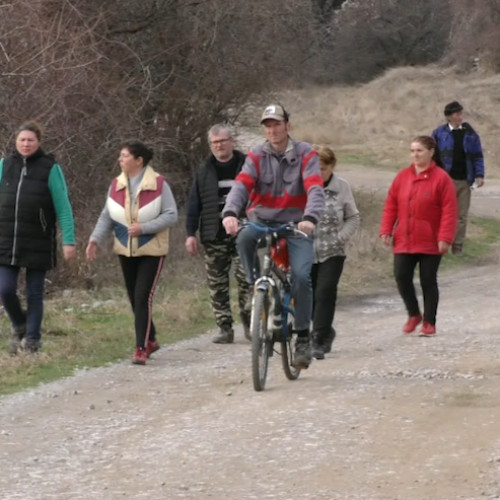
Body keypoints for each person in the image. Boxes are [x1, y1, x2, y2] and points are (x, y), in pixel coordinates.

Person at [222, 104, 325, 368]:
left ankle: (302, 336)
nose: (272, 130)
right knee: (243, 239)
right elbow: (242, 185)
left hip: (296, 224)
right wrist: (230, 212)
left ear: (287, 126)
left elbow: (315, 187)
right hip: (262, 219)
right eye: (267, 125)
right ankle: (257, 288)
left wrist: (310, 217)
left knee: (302, 277)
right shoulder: (256, 155)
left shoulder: (305, 153)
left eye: (276, 124)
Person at [86, 141, 178, 365]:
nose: (120, 159)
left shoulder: (159, 183)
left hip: (152, 250)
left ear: (139, 161)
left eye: (125, 156)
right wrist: (94, 239)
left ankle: (141, 348)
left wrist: (144, 228)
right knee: (134, 299)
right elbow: (107, 215)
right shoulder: (116, 184)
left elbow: (171, 214)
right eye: (121, 156)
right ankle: (152, 338)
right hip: (125, 249)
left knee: (142, 297)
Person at [0, 121, 76, 354]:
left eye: (30, 140)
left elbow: (63, 207)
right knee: (4, 289)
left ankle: (32, 339)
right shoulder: (5, 164)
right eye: (22, 140)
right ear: (16, 142)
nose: (26, 144)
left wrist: (68, 240)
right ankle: (20, 324)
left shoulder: (50, 168)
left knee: (34, 292)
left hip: (38, 240)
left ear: (38, 142)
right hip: (5, 239)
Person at [380, 136, 457, 336]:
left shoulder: (442, 178)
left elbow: (450, 211)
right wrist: (386, 230)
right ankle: (414, 314)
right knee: (401, 276)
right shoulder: (402, 176)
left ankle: (429, 322)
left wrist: (445, 238)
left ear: (431, 152)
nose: (415, 155)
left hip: (431, 240)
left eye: (419, 151)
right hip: (404, 238)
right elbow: (391, 205)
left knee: (428, 280)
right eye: (412, 151)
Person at [185, 124, 251, 344]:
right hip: (214, 234)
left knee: (247, 279)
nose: (219, 146)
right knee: (217, 283)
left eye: (223, 141)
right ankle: (225, 328)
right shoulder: (204, 171)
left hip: (245, 231)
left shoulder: (248, 166)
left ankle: (250, 322)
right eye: (214, 142)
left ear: (231, 141)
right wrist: (190, 233)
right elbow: (194, 204)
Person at [311, 145, 360, 360]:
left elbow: (353, 217)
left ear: (331, 167)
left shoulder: (342, 187)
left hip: (333, 251)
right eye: (313, 169)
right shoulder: (302, 186)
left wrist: (342, 236)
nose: (317, 173)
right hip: (306, 250)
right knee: (308, 295)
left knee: (325, 292)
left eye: (321, 169)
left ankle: (318, 338)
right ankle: (326, 330)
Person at [431, 101, 485, 256]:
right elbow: (432, 155)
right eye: (457, 114)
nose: (460, 117)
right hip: (444, 181)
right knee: (442, 213)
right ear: (449, 116)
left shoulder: (470, 134)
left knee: (461, 216)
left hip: (464, 180)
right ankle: (440, 245)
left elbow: (477, 156)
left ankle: (457, 246)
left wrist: (479, 175)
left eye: (461, 114)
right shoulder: (439, 133)